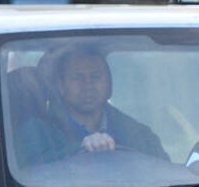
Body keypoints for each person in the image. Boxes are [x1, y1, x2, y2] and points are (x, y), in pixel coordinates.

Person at [15, 48, 167, 167]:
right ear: (61, 86)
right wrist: (79, 150)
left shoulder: (138, 134)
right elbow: (29, 176)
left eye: (96, 76)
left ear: (107, 83)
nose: (88, 85)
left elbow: (163, 175)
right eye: (77, 77)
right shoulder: (35, 132)